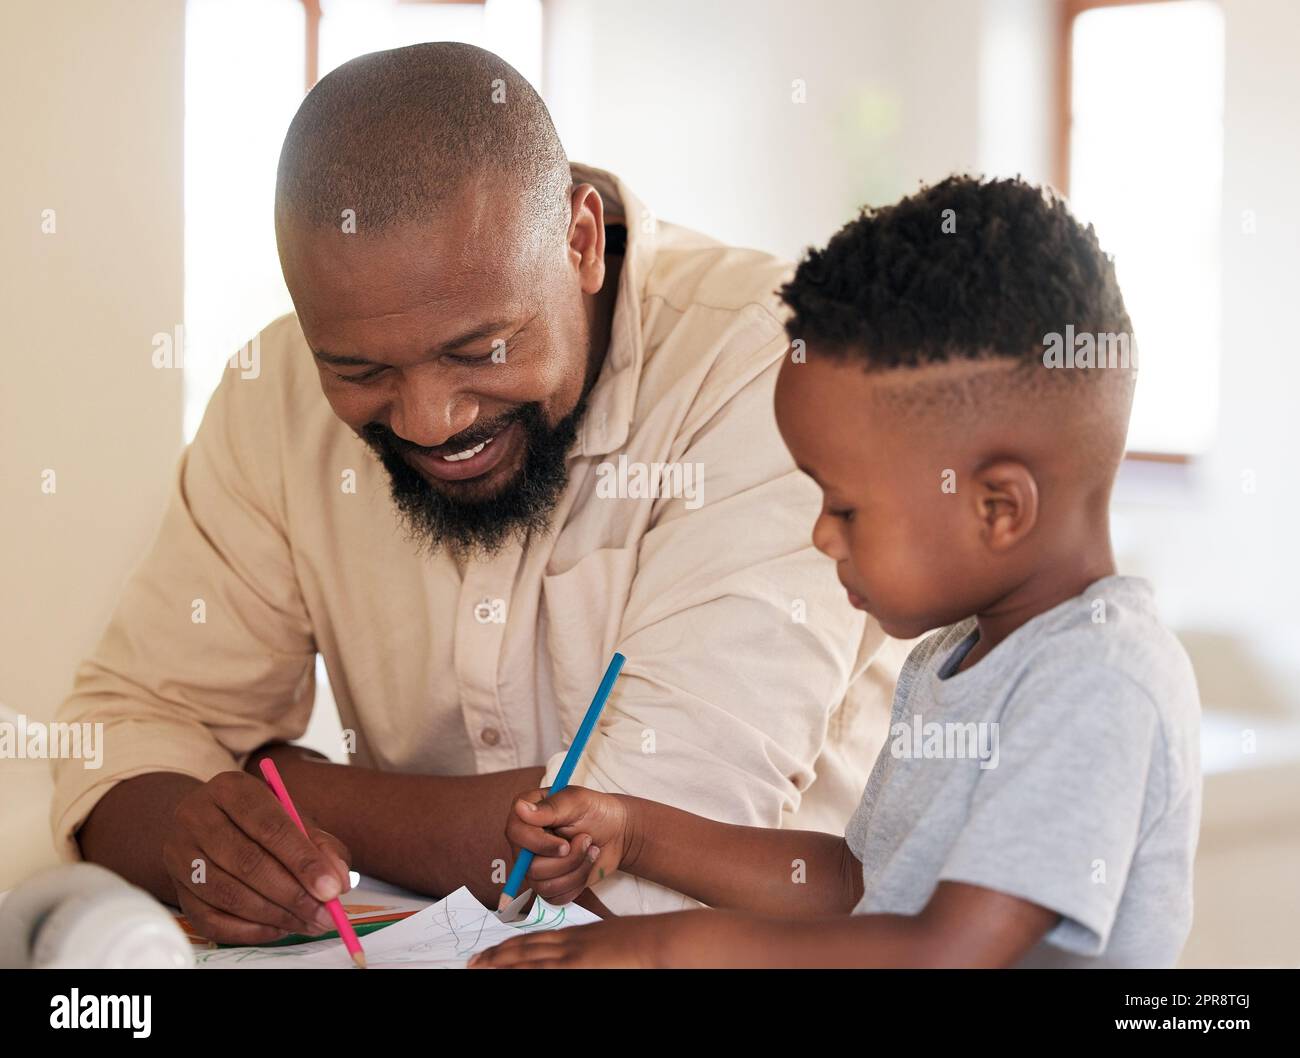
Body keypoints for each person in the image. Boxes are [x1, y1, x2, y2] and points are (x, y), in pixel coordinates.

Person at [50, 43, 900, 944]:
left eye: (478, 351)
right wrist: (200, 841)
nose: (427, 420)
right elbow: (122, 738)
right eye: (361, 370)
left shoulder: (778, 368)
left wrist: (281, 781)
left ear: (579, 243)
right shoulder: (276, 394)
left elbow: (655, 852)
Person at [472, 175, 1202, 969]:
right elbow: (859, 888)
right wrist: (635, 830)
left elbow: (944, 952)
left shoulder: (1099, 679)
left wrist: (663, 948)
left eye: (845, 506)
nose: (822, 534)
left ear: (997, 507)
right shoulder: (949, 657)